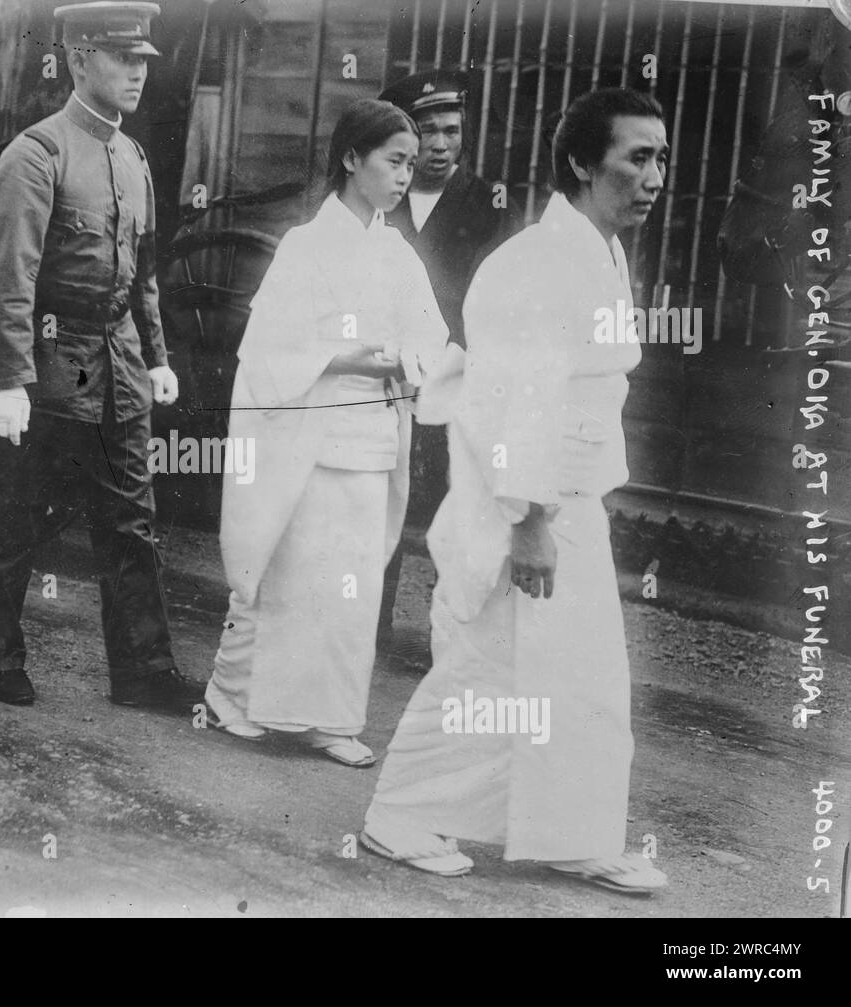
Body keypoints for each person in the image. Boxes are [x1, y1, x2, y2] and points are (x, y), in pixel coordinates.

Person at [360, 88, 670, 893]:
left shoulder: (599, 251)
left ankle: (575, 832)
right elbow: (516, 402)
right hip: (522, 501)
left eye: (661, 158)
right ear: (580, 162)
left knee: (584, 675)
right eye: (637, 156)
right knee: (485, 670)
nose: (654, 175)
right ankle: (398, 814)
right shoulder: (535, 262)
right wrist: (529, 519)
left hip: (575, 499)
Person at [0, 2, 205, 714]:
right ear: (77, 60)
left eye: (142, 61)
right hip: (49, 363)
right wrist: (8, 379)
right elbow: (8, 278)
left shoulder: (132, 159)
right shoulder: (37, 154)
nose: (136, 73)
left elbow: (147, 274)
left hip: (122, 366)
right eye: (121, 58)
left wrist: (157, 356)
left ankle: (143, 668)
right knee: (17, 516)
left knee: (131, 521)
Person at [204, 99, 449, 768]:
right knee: (292, 574)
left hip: (371, 436)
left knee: (351, 585)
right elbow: (268, 350)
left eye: (410, 164)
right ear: (351, 159)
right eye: (394, 161)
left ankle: (329, 719)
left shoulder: (397, 252)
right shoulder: (305, 245)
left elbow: (431, 334)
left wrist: (407, 357)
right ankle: (240, 703)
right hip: (309, 436)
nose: (406, 176)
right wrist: (343, 356)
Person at [375, 69, 523, 656]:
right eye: (428, 132)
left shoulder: (488, 202)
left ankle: (447, 642)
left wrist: (453, 359)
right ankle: (370, 628)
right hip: (388, 375)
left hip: (457, 377)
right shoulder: (382, 196)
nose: (439, 145)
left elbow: (497, 296)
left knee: (452, 506)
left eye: (452, 131)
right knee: (380, 497)